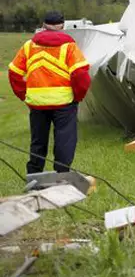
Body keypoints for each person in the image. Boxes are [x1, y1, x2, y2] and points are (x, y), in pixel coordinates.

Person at [7, 11, 91, 174]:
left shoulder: (29, 46)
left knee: (38, 141)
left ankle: (34, 174)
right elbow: (81, 75)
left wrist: (24, 94)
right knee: (64, 140)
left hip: (37, 103)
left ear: (43, 25)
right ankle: (61, 175)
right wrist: (78, 96)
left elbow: (14, 73)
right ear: (63, 26)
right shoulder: (69, 47)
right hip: (64, 103)